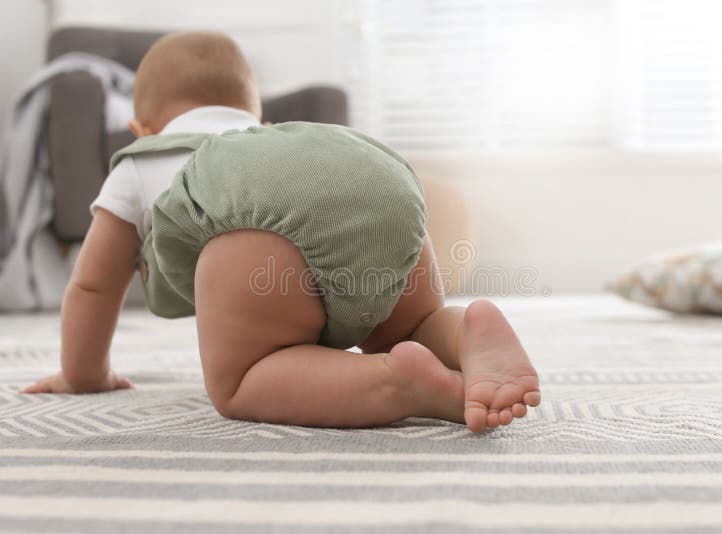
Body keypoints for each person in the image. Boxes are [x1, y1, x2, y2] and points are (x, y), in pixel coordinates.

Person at [22, 32, 540, 433]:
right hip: (381, 189)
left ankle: (394, 383)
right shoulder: (268, 140)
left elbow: (93, 286)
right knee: (414, 324)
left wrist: (84, 375)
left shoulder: (140, 163)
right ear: (256, 115)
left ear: (142, 129)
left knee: (248, 378)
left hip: (260, 231)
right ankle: (464, 331)